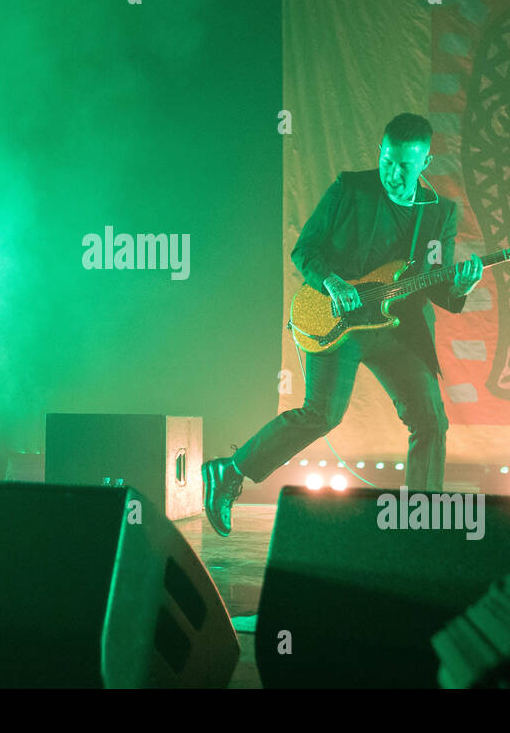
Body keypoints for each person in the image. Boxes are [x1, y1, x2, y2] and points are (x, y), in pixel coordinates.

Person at [201, 113, 482, 536]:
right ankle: (230, 470)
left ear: (424, 163)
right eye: (387, 160)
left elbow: (435, 281)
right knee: (322, 414)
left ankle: (421, 524)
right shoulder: (351, 189)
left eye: (405, 165)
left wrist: (461, 285)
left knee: (430, 421)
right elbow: (305, 249)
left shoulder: (440, 213)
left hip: (398, 328)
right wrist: (332, 282)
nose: (392, 172)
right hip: (339, 321)